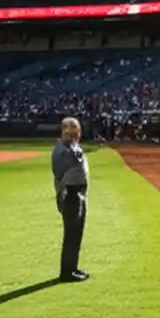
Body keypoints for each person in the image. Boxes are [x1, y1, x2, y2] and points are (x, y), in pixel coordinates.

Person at [51, 117, 91, 283]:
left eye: (76, 130)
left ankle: (72, 268)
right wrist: (74, 147)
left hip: (77, 193)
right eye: (71, 130)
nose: (75, 133)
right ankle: (67, 272)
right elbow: (62, 169)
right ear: (64, 131)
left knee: (76, 234)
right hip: (70, 194)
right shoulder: (63, 150)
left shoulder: (69, 147)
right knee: (71, 234)